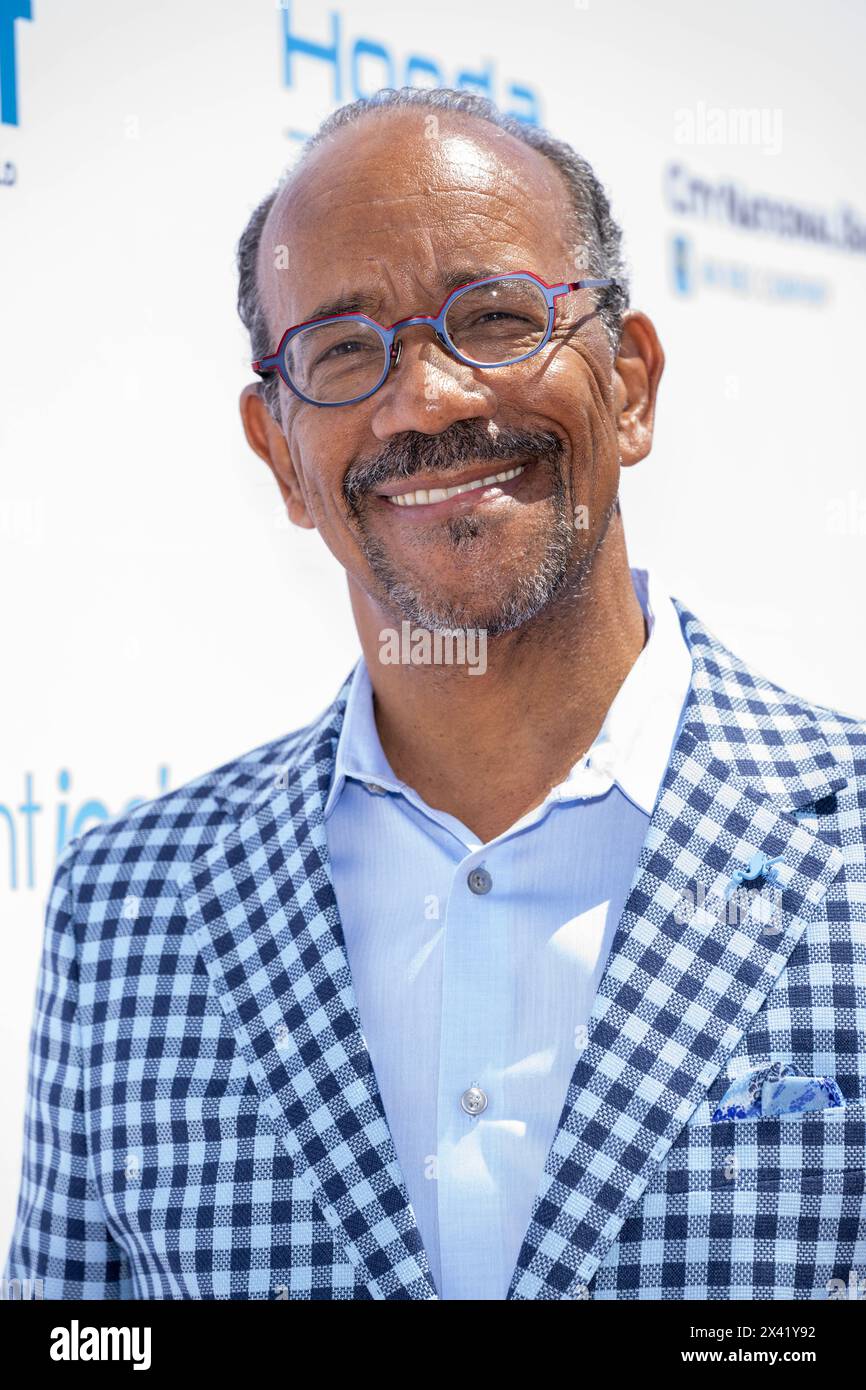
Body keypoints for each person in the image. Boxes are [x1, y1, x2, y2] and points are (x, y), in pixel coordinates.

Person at [5, 87, 865, 1301]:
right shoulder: (126, 913)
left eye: (498, 316)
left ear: (628, 384)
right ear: (281, 455)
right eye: (346, 349)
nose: (431, 399)